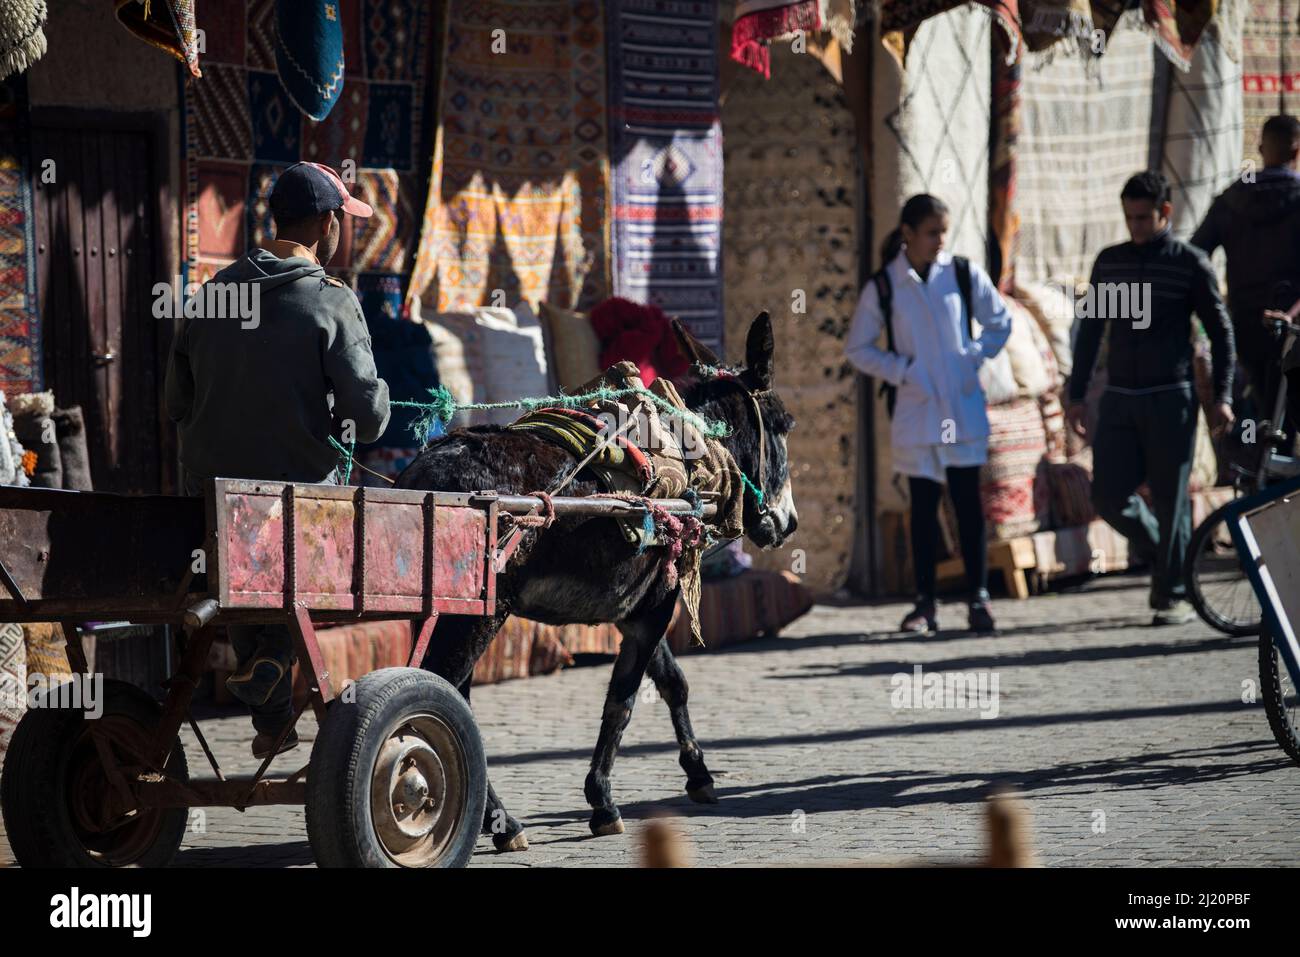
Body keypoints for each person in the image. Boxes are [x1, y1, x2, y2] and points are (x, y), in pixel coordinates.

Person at [164, 162, 391, 757]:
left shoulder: (213, 295)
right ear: (325, 222)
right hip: (293, 505)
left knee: (240, 559)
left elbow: (175, 403)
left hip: (210, 504)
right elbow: (368, 418)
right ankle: (270, 670)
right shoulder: (329, 301)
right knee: (313, 539)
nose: (345, 229)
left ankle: (269, 704)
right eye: (344, 218)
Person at [1066, 170, 1235, 626]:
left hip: (1170, 399)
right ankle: (1168, 552)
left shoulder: (1190, 264)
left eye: (1143, 217)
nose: (1135, 227)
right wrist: (1076, 394)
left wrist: (1221, 396)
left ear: (1165, 212)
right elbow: (1089, 333)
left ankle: (1171, 594)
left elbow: (1221, 334)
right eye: (1129, 218)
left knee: (1170, 498)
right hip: (1119, 398)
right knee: (1107, 496)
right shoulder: (1111, 262)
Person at [846, 193, 1012, 634]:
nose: (940, 240)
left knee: (967, 506)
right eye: (932, 232)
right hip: (918, 414)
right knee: (923, 509)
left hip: (960, 407)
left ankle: (978, 598)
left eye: (943, 231)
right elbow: (858, 348)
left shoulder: (961, 273)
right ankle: (925, 604)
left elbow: (1000, 321)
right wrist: (903, 370)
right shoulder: (884, 286)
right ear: (908, 234)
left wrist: (972, 357)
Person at [1191, 115, 1300, 444]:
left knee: (1264, 410)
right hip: (1293, 327)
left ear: (1261, 148)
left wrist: (1213, 307)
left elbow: (1195, 256)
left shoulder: (1232, 199)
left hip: (1246, 324)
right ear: (1297, 151)